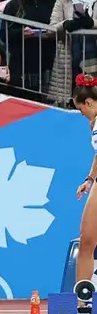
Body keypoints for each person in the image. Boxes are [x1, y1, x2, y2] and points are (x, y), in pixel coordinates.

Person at [72, 74, 97, 302]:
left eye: (81, 110)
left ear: (89, 103)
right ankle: (82, 301)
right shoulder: (94, 123)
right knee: (87, 238)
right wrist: (89, 179)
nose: (82, 115)